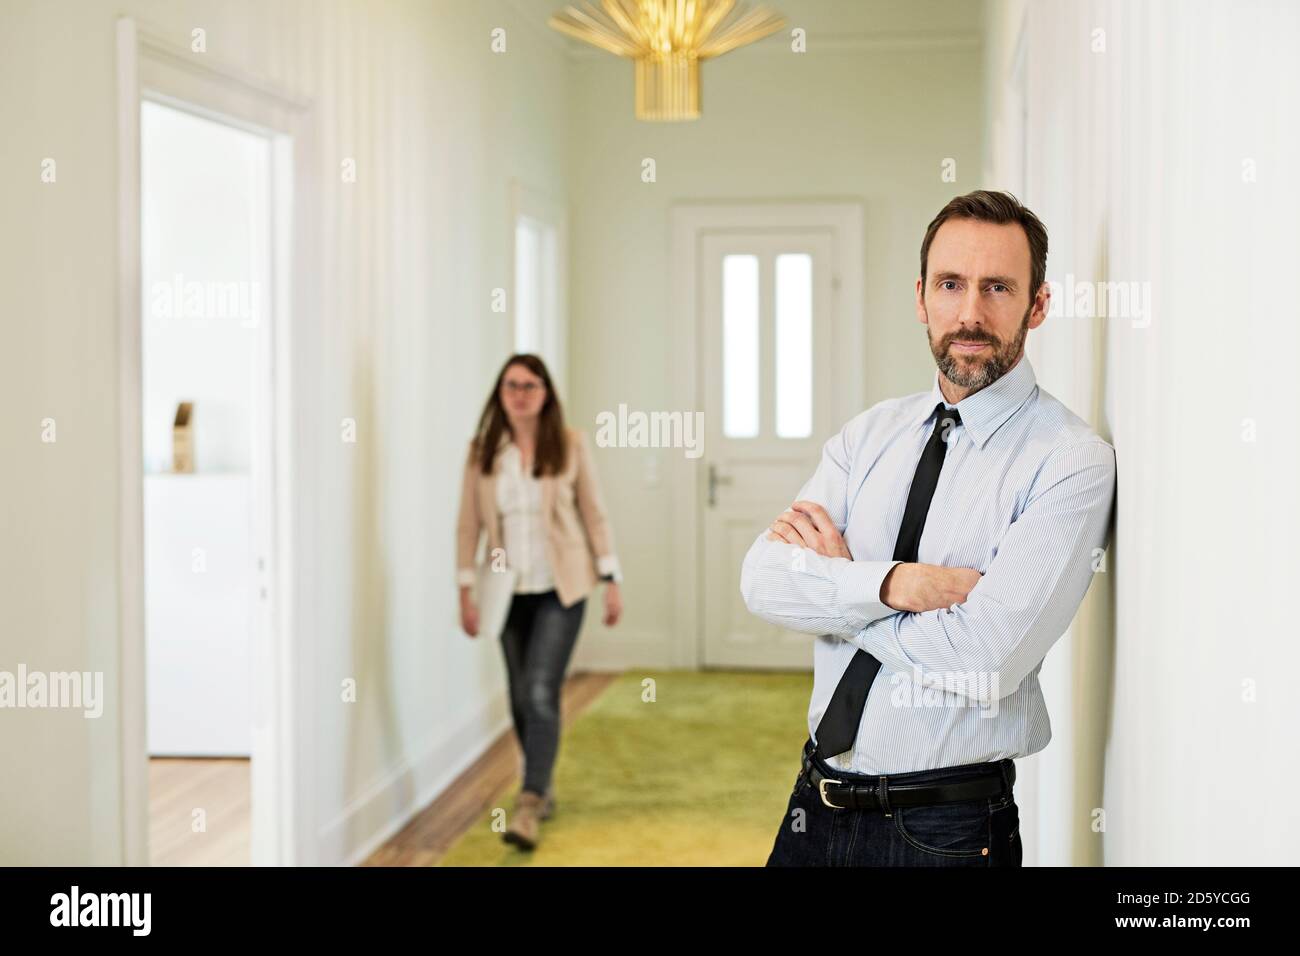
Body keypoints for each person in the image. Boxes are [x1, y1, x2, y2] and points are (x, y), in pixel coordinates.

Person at [741, 190, 1117, 866]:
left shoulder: (1068, 461)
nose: (970, 313)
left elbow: (988, 661)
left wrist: (845, 588)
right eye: (951, 284)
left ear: (1038, 304)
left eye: (997, 287)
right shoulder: (869, 436)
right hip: (813, 805)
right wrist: (898, 584)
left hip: (944, 832)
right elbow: (763, 580)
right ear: (921, 297)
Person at [455, 353, 623, 851]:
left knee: (540, 689)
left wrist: (611, 577)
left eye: (530, 385)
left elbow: (595, 514)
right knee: (518, 694)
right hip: (504, 590)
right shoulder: (482, 451)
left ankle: (529, 800)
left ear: (545, 393)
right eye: (512, 385)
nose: (521, 393)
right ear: (500, 393)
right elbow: (468, 524)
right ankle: (541, 783)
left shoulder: (569, 444)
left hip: (562, 586)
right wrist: (464, 586)